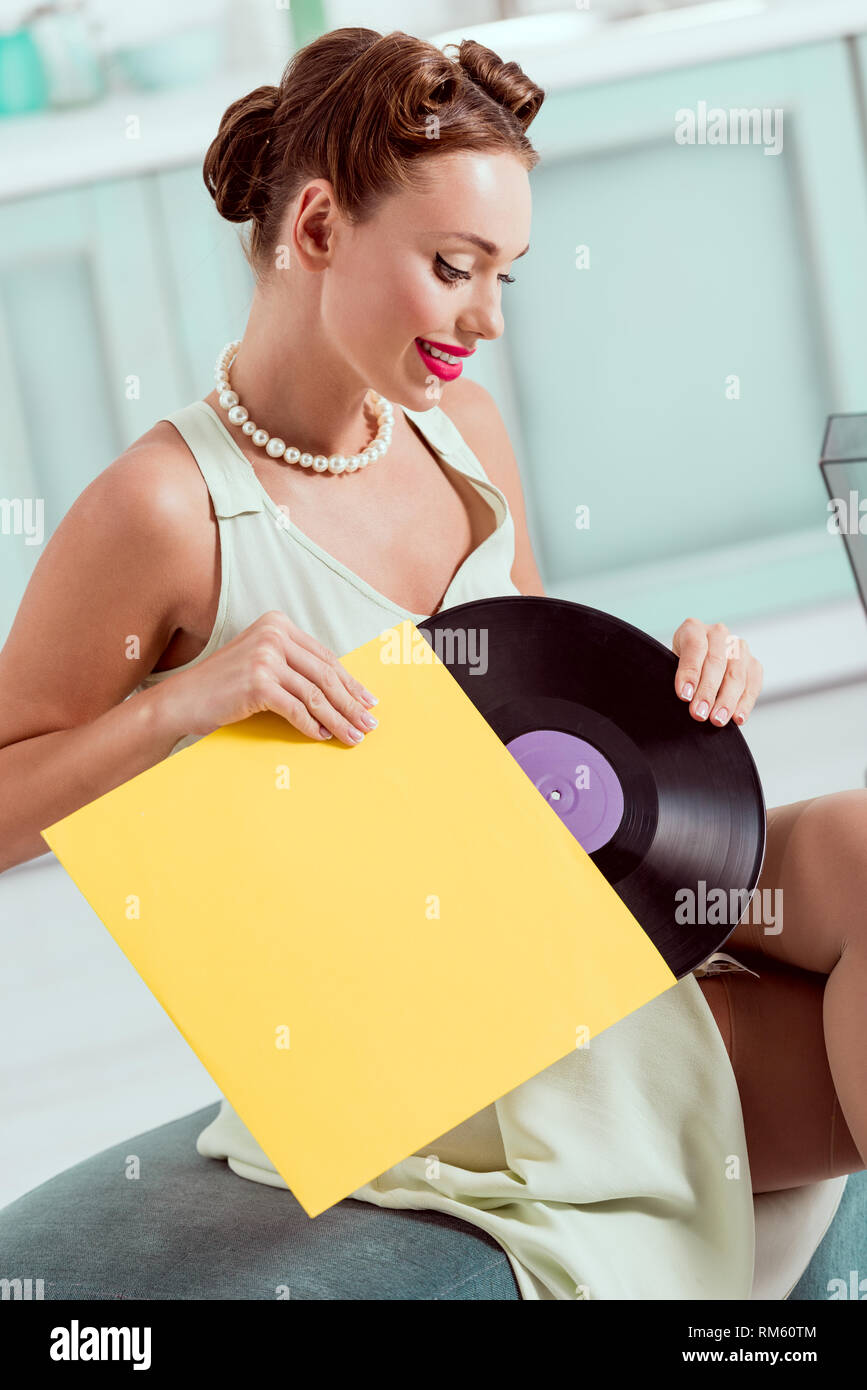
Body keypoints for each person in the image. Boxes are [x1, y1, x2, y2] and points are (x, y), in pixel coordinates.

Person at [0, 26, 863, 1300]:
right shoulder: (164, 513)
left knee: (855, 847)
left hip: (565, 904)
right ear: (314, 228)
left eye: (505, 276)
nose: (487, 320)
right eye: (456, 268)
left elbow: (530, 677)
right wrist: (181, 705)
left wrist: (671, 680)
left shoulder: (454, 426)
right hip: (436, 1022)